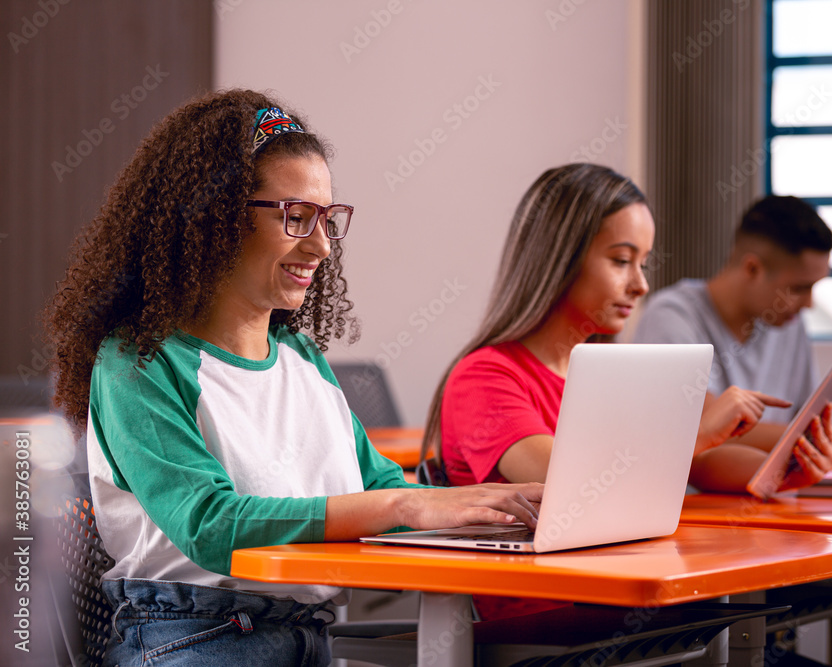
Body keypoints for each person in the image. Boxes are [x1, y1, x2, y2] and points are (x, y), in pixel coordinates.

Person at [44, 89, 542, 667]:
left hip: (310, 639)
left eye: (329, 220)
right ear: (213, 219)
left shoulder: (301, 357)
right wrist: (405, 508)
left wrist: (498, 514)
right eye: (297, 217)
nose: (323, 245)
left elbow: (379, 487)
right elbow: (208, 524)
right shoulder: (138, 361)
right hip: (192, 640)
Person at [419, 164, 832, 620]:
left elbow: (700, 464)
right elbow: (576, 482)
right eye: (621, 261)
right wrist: (696, 430)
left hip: (624, 606)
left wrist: (788, 468)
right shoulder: (484, 377)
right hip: (547, 625)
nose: (640, 284)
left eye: (643, 263)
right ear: (560, 259)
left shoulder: (609, 373)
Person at [632, 195, 832, 454]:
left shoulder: (786, 323)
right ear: (752, 269)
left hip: (772, 498)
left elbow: (802, 422)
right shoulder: (671, 317)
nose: (808, 304)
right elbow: (704, 429)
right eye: (798, 288)